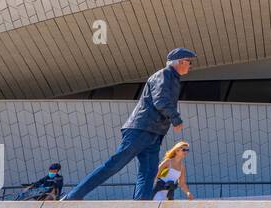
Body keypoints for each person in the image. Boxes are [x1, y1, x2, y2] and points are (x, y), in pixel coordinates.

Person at [64, 48, 195, 200]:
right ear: (180, 62)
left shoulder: (173, 79)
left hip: (154, 133)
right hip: (141, 129)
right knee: (114, 165)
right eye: (189, 62)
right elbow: (161, 101)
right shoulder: (164, 75)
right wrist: (176, 119)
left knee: (148, 172)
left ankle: (141, 206)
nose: (191, 66)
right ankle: (73, 196)